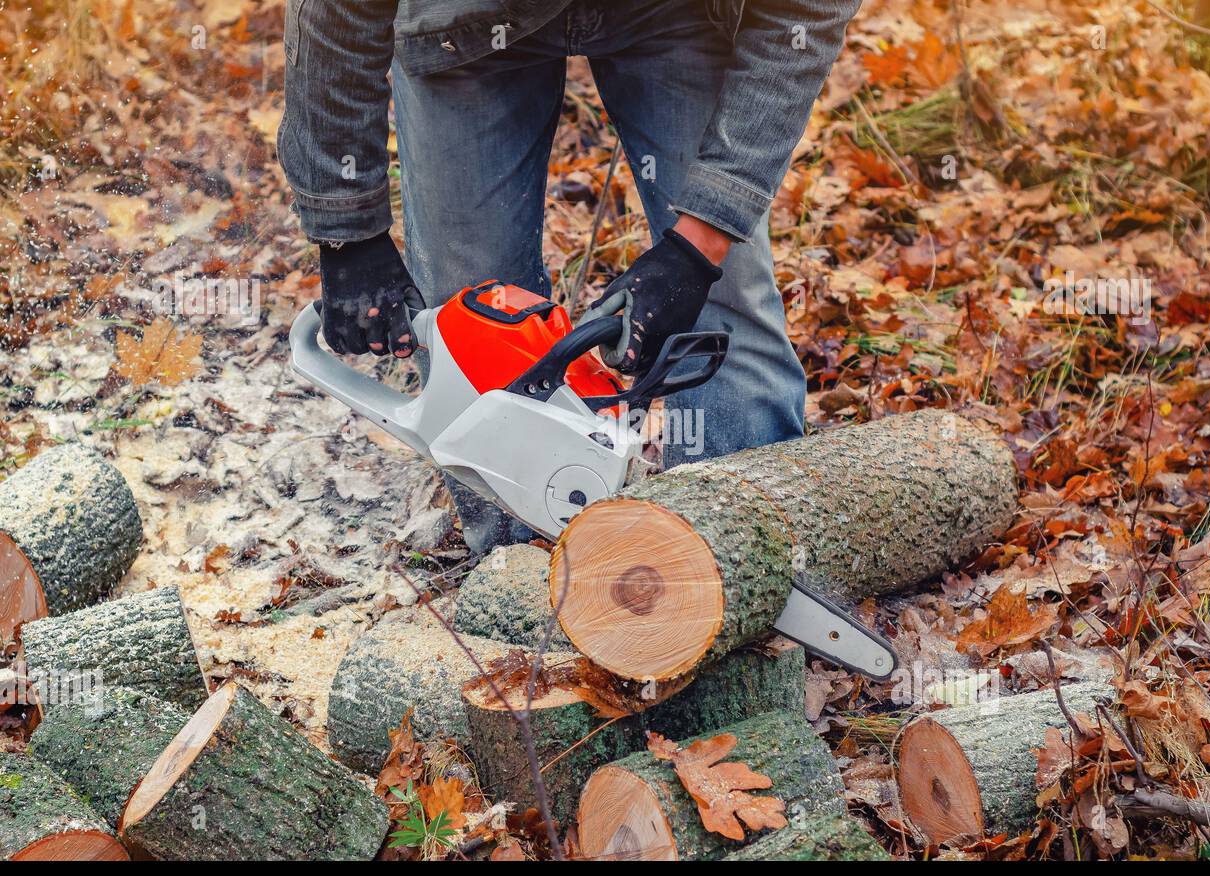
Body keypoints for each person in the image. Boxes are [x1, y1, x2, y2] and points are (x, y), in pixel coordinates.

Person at [278, 0, 858, 553]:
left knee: (725, 296)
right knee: (472, 311)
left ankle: (745, 558)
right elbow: (336, 15)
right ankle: (517, 583)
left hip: (675, 15)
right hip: (463, 21)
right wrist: (346, 229)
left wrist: (697, 248)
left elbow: (803, 14)